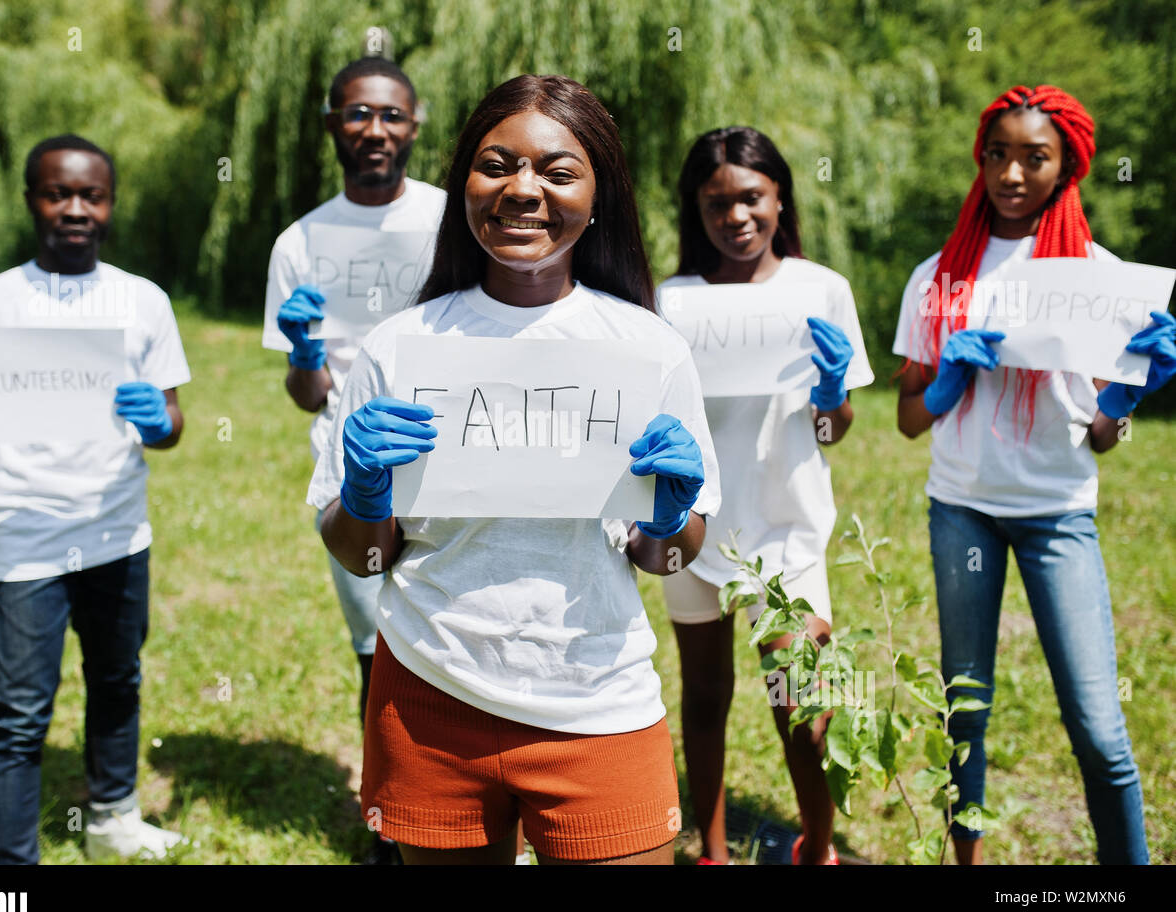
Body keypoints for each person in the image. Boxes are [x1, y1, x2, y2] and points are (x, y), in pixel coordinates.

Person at [308, 74, 721, 865]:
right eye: (496, 165)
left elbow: (667, 558)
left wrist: (670, 524)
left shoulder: (648, 350)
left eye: (558, 172)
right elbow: (362, 554)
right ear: (462, 180)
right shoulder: (398, 348)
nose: (523, 189)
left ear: (599, 197)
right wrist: (362, 499)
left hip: (597, 696)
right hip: (430, 694)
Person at [894, 85, 1169, 864]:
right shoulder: (938, 276)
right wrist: (944, 383)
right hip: (963, 509)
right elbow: (910, 417)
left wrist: (1125, 395)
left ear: (1069, 165)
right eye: (997, 154)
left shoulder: (1099, 277)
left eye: (1033, 157)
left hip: (1058, 512)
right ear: (980, 160)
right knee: (966, 710)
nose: (1011, 172)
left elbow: (1105, 435)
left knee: (1098, 724)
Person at [0, 134, 191, 864]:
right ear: (32, 200)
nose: (74, 208)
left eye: (91, 194)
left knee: (117, 679)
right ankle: (9, 868)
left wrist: (159, 421)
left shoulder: (143, 300)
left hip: (118, 531)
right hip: (26, 533)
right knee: (21, 713)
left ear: (110, 204)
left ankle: (113, 820)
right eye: (57, 193)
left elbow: (173, 423)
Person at [657, 127, 874, 865]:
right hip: (697, 528)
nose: (737, 216)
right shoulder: (672, 301)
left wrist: (833, 392)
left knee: (802, 699)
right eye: (717, 203)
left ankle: (819, 849)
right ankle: (712, 851)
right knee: (705, 693)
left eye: (751, 196)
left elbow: (832, 429)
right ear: (697, 209)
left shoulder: (821, 290)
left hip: (786, 527)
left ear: (780, 196)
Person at [264, 56, 445, 865]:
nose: (375, 129)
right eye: (357, 114)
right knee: (378, 659)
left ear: (415, 124)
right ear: (333, 121)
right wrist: (305, 351)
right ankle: (391, 823)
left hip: (453, 461)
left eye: (391, 115)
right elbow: (308, 394)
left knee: (450, 640)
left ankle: (461, 812)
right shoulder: (299, 241)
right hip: (352, 472)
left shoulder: (453, 218)